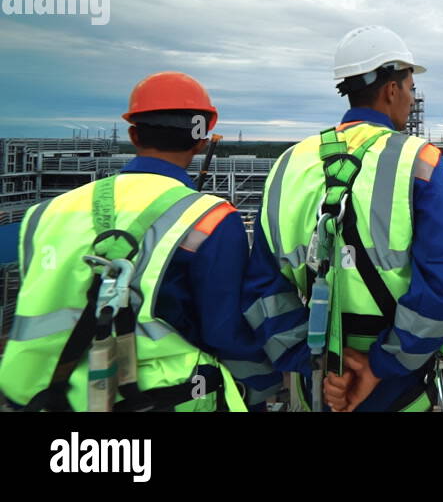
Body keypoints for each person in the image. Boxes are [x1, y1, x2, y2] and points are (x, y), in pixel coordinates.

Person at [0, 72, 270, 411]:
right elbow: (223, 332)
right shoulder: (212, 219)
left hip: (40, 398)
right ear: (200, 139)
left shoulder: (45, 214)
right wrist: (262, 384)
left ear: (132, 134)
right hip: (160, 400)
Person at [248, 25, 443, 412]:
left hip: (319, 384)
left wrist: (315, 360)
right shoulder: (418, 162)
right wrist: (378, 366)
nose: (412, 99)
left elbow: (262, 289)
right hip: (396, 387)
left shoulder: (287, 165)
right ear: (391, 89)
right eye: (411, 87)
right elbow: (440, 287)